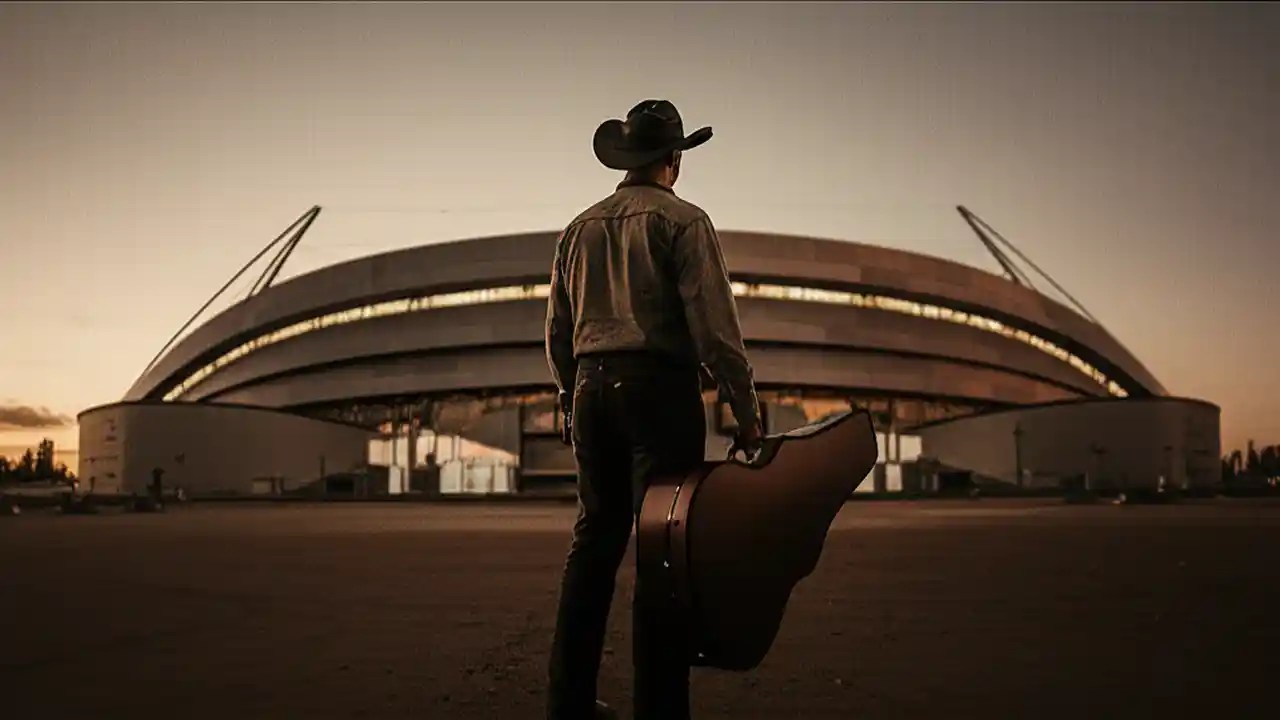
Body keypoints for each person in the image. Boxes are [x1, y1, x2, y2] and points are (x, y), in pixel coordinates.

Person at [544, 99, 764, 720]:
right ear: (674, 160)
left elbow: (557, 330)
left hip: (591, 385)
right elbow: (717, 331)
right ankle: (659, 709)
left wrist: (569, 394)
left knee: (593, 543)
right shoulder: (684, 221)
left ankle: (568, 703)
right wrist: (746, 416)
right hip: (660, 391)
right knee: (660, 550)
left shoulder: (578, 229)